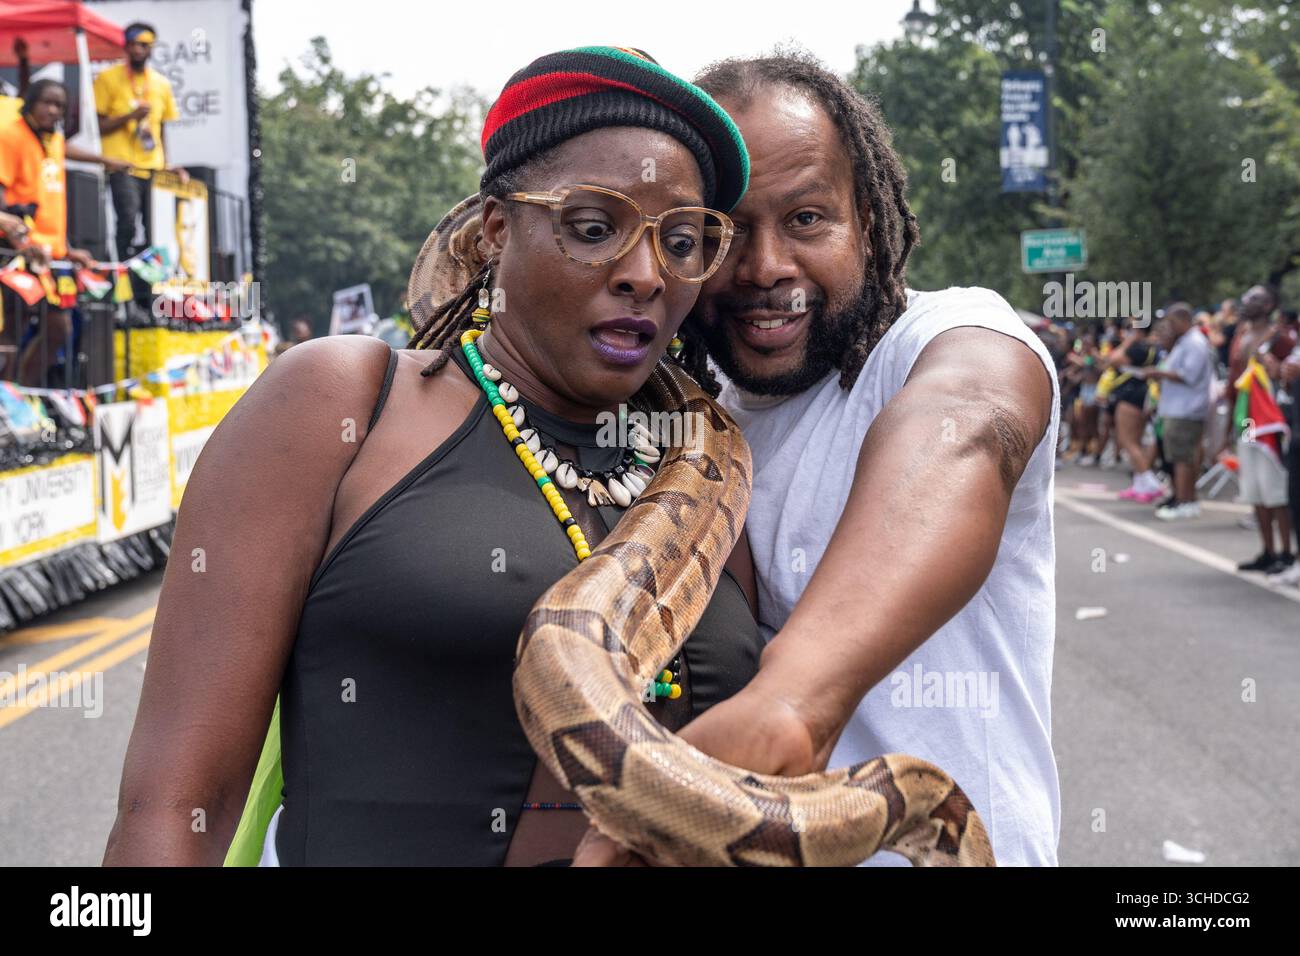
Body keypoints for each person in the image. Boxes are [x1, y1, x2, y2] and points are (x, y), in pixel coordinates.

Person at [103, 46, 761, 867]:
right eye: (593, 229)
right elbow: (173, 803)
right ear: (493, 234)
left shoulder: (711, 464)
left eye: (683, 241)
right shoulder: (347, 403)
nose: (644, 274)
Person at [578, 50, 1060, 867]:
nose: (767, 269)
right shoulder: (697, 433)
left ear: (866, 223)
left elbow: (968, 428)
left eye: (806, 219)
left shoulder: (948, 339)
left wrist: (793, 703)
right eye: (729, 234)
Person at [0, 80, 119, 386]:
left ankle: (22, 394)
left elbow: (50, 203)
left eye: (60, 106)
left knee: (59, 330)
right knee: (13, 328)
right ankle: (7, 406)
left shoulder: (53, 139)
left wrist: (67, 248)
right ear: (30, 103)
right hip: (18, 252)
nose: (53, 111)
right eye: (46, 103)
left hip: (51, 255)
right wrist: (21, 242)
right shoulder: (10, 136)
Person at [93, 22, 187, 261]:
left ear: (152, 48)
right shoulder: (107, 78)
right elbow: (98, 126)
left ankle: (148, 287)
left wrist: (167, 163)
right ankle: (122, 278)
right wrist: (129, 117)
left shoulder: (161, 83)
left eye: (143, 45)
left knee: (156, 226)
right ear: (126, 46)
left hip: (153, 165)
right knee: (127, 222)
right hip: (122, 165)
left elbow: (161, 129)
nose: (137, 50)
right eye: (133, 44)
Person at [1226, 284, 1293, 574]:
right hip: (1247, 419)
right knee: (1254, 490)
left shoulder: (1280, 338)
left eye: (1253, 298)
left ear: (1268, 305)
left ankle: (1286, 552)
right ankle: (1267, 550)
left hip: (1271, 422)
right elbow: (1234, 381)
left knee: (1275, 490)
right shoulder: (1241, 336)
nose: (1245, 301)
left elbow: (1288, 377)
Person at [1143, 304, 1214, 520]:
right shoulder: (1185, 342)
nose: (1170, 327)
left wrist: (1160, 373)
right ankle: (1185, 499)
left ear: (1184, 320)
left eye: (1172, 322)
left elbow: (1189, 375)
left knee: (1183, 459)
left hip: (1186, 410)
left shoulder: (1194, 343)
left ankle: (1185, 501)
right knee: (1180, 457)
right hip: (1177, 408)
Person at [1103, 318, 1161, 502]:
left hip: (1130, 395)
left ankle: (1150, 482)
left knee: (1127, 441)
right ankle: (1139, 484)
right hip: (1141, 393)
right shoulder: (1151, 347)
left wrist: (1129, 340)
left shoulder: (1138, 347)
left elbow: (1113, 360)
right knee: (1135, 441)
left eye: (1131, 328)